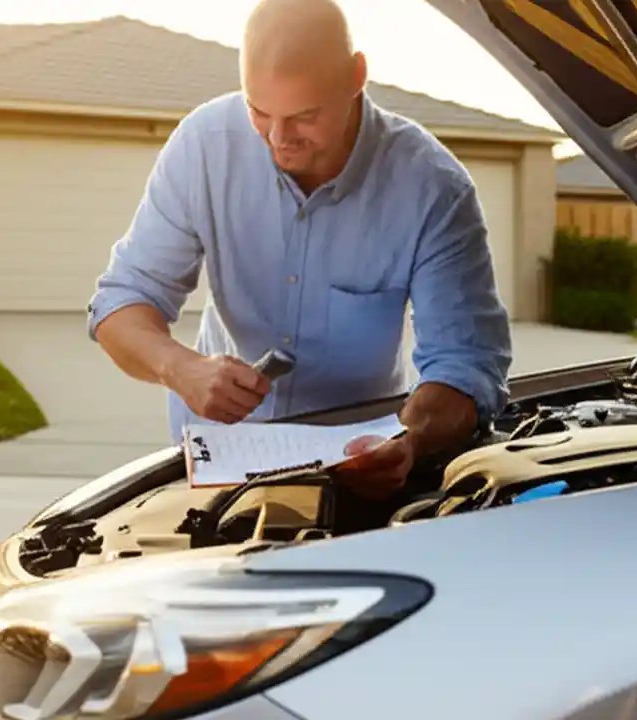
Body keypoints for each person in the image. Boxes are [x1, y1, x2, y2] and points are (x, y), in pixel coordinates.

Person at [86, 0, 512, 500]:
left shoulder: (432, 188)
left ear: (358, 76)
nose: (279, 139)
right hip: (218, 471)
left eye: (304, 116)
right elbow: (119, 304)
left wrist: (410, 440)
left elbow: (465, 365)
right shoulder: (204, 146)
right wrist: (181, 368)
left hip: (357, 475)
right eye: (259, 111)